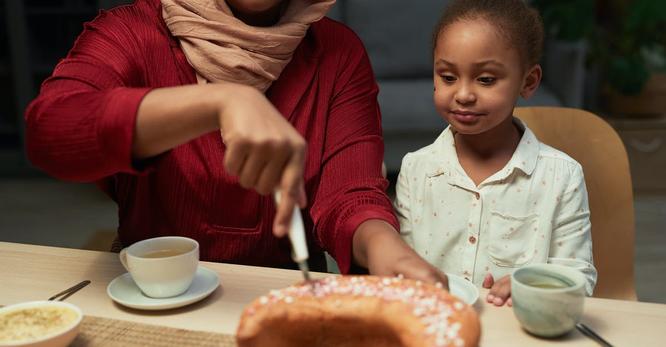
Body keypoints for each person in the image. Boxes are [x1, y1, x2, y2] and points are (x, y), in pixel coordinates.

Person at [25, 0, 446, 284]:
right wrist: (219, 100)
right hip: (150, 287)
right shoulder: (131, 31)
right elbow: (51, 131)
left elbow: (350, 194)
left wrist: (385, 246)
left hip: (285, 286)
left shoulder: (338, 51)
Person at [393, 0, 596, 306]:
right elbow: (401, 265)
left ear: (528, 82)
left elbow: (579, 279)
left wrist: (534, 287)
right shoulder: (415, 168)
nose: (463, 95)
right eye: (447, 77)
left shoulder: (562, 175)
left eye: (486, 79)